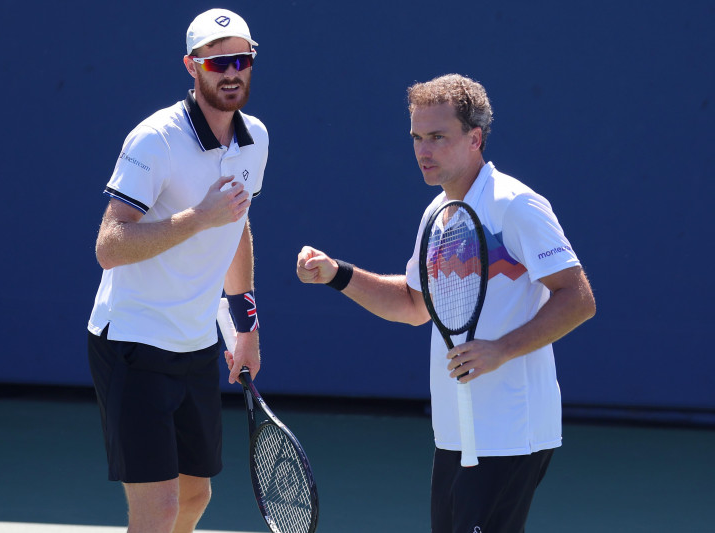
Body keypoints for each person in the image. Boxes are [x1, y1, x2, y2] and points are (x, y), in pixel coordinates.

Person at [296, 74, 596, 533]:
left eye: (437, 137)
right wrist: (339, 274)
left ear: (474, 139)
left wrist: (501, 350)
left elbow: (578, 298)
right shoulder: (437, 215)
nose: (423, 150)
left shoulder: (515, 205)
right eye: (417, 137)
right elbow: (415, 305)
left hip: (512, 432)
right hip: (457, 433)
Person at [86, 8, 267, 533]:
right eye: (216, 62)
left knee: (194, 496)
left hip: (195, 345)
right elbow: (109, 245)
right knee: (159, 509)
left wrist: (246, 325)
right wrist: (197, 218)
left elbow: (237, 229)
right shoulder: (155, 139)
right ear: (192, 66)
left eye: (240, 59)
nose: (230, 72)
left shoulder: (255, 138)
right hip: (132, 343)